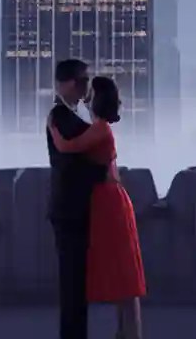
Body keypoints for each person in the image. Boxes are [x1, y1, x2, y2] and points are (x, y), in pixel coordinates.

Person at [49, 76, 147, 339]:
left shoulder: (100, 129)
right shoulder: (100, 128)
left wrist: (52, 127)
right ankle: (125, 332)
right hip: (108, 201)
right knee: (120, 272)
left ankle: (131, 333)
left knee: (123, 274)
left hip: (110, 203)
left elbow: (66, 147)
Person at [48, 59, 109, 339]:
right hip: (70, 211)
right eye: (83, 81)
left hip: (77, 210)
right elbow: (71, 162)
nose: (87, 86)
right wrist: (101, 171)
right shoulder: (60, 116)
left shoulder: (72, 115)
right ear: (69, 83)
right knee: (73, 286)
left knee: (78, 286)